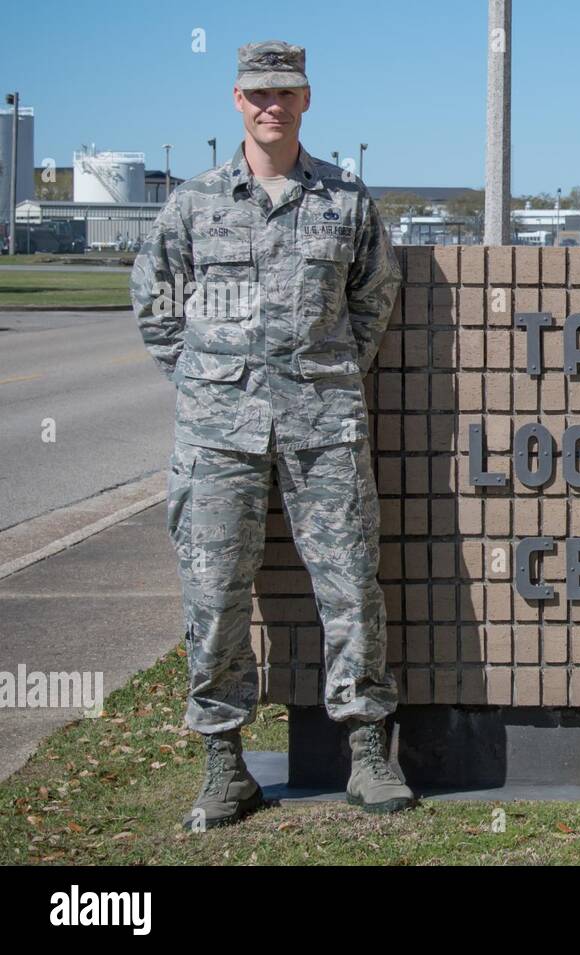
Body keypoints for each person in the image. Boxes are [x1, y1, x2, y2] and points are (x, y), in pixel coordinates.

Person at [130, 40, 412, 830]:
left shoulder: (346, 202)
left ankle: (365, 750)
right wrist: (207, 382)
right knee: (215, 595)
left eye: (284, 92)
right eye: (258, 92)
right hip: (218, 435)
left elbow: (373, 299)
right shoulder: (194, 203)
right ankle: (224, 761)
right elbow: (156, 303)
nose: (271, 105)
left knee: (351, 585)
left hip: (323, 426)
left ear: (306, 99)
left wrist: (324, 374)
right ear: (237, 100)